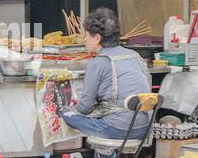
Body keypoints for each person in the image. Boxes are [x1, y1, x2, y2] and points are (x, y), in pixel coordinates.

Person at [61, 8, 152, 141]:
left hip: (117, 130)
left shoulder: (99, 62)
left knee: (65, 112)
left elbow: (85, 108)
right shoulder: (135, 55)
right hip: (144, 128)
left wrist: (72, 107)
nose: (84, 39)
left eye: (86, 35)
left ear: (97, 38)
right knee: (105, 117)